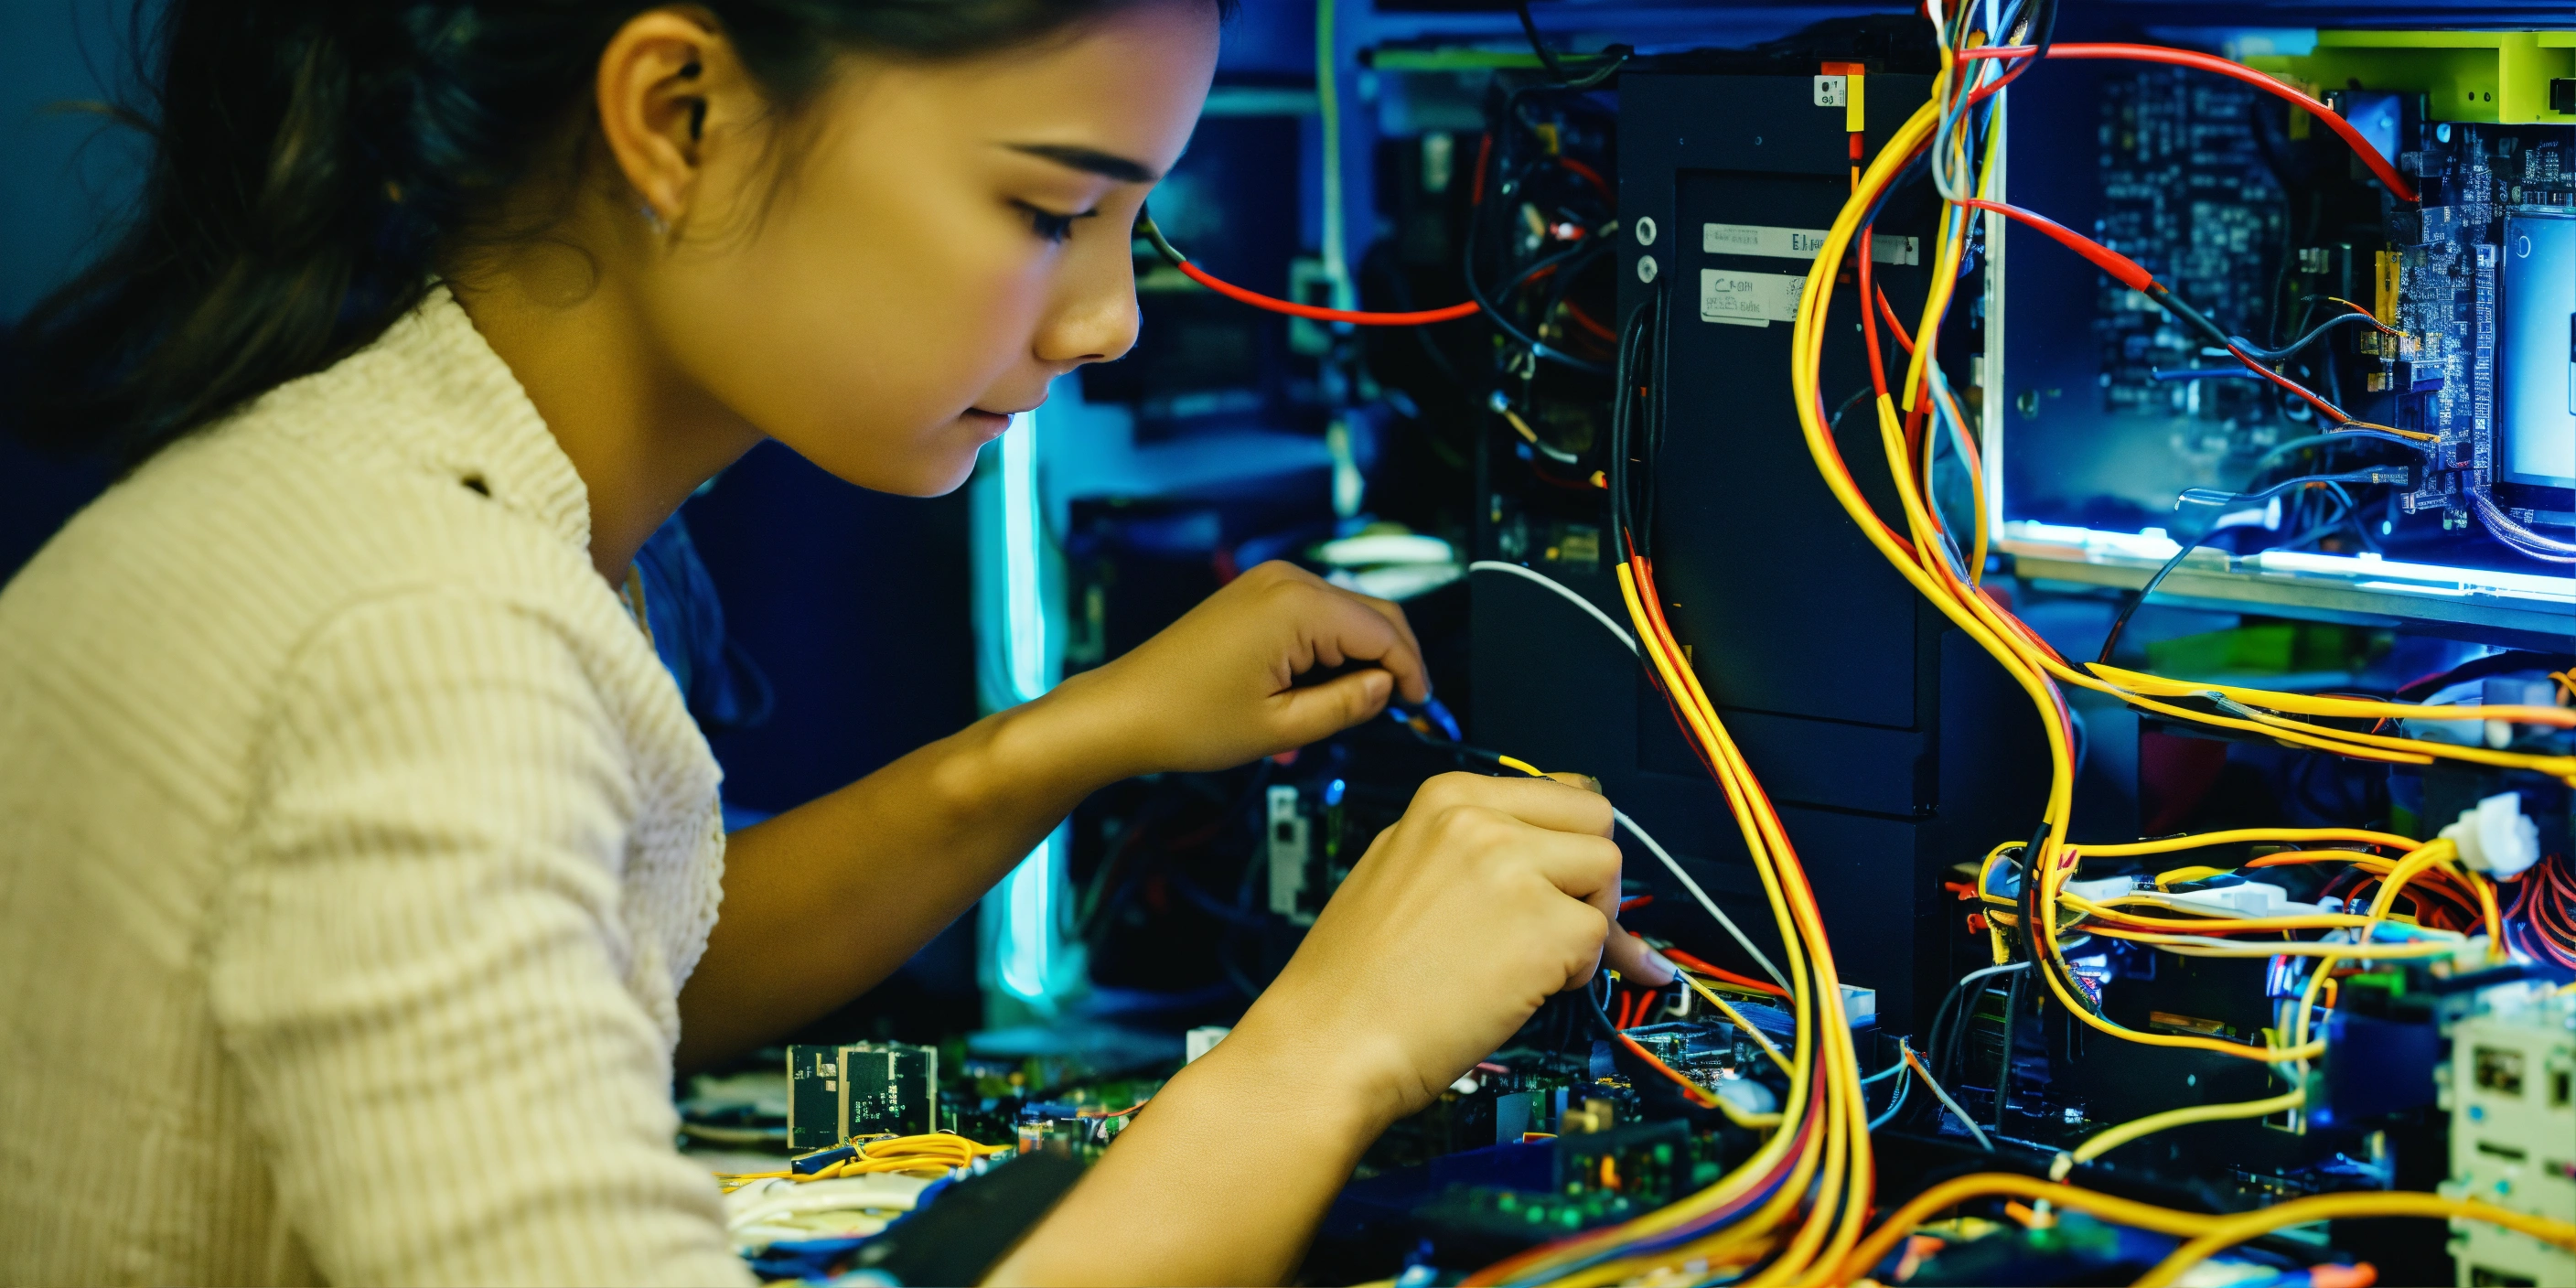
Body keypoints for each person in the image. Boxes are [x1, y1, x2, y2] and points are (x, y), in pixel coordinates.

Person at [0, 2, 1669, 1283]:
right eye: (1046, 212)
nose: (1107, 324)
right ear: (684, 116)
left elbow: (626, 978)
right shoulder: (424, 638)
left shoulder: (418, 492)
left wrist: (1075, 735)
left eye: (1129, 228)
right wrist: (1327, 1058)